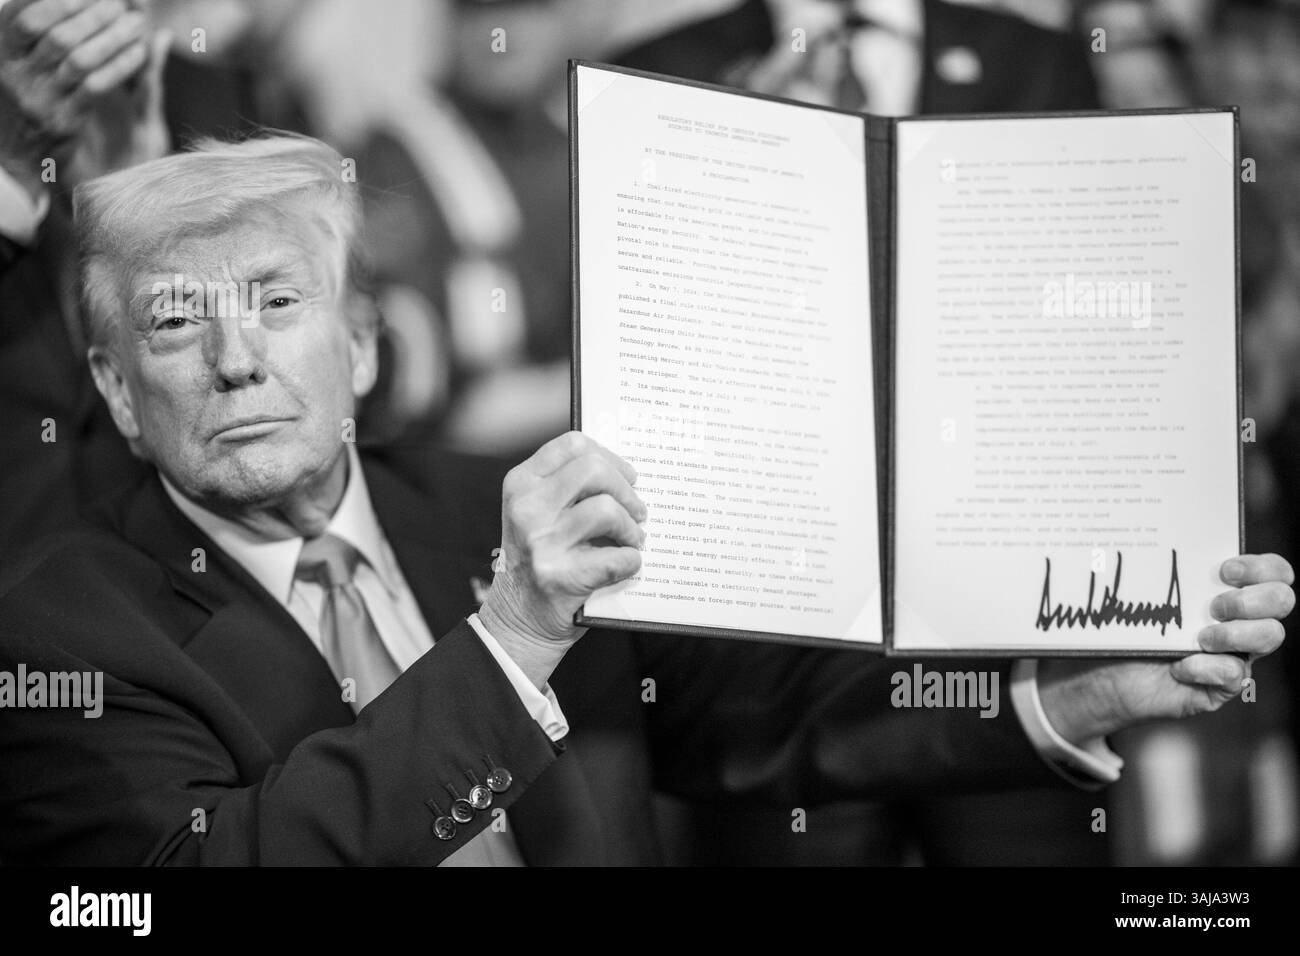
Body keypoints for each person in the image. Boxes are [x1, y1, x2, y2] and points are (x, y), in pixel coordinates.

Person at [0, 133, 1288, 865]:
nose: (236, 359)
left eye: (279, 302)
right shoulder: (61, 627)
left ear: (367, 346)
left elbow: (763, 721)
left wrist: (1074, 692)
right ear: (112, 389)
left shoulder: (478, 506)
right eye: (178, 324)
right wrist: (511, 639)